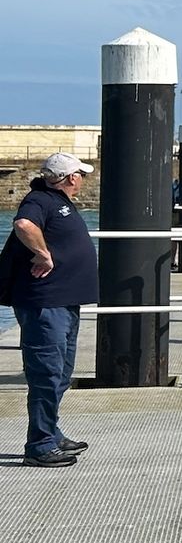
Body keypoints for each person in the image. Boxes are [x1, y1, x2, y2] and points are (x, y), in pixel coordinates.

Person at [3, 154, 97, 467]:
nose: (82, 179)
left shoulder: (59, 201)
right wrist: (43, 254)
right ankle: (39, 444)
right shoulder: (40, 199)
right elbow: (23, 224)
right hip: (45, 304)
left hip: (64, 302)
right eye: (80, 174)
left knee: (61, 372)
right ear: (71, 177)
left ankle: (51, 433)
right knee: (46, 372)